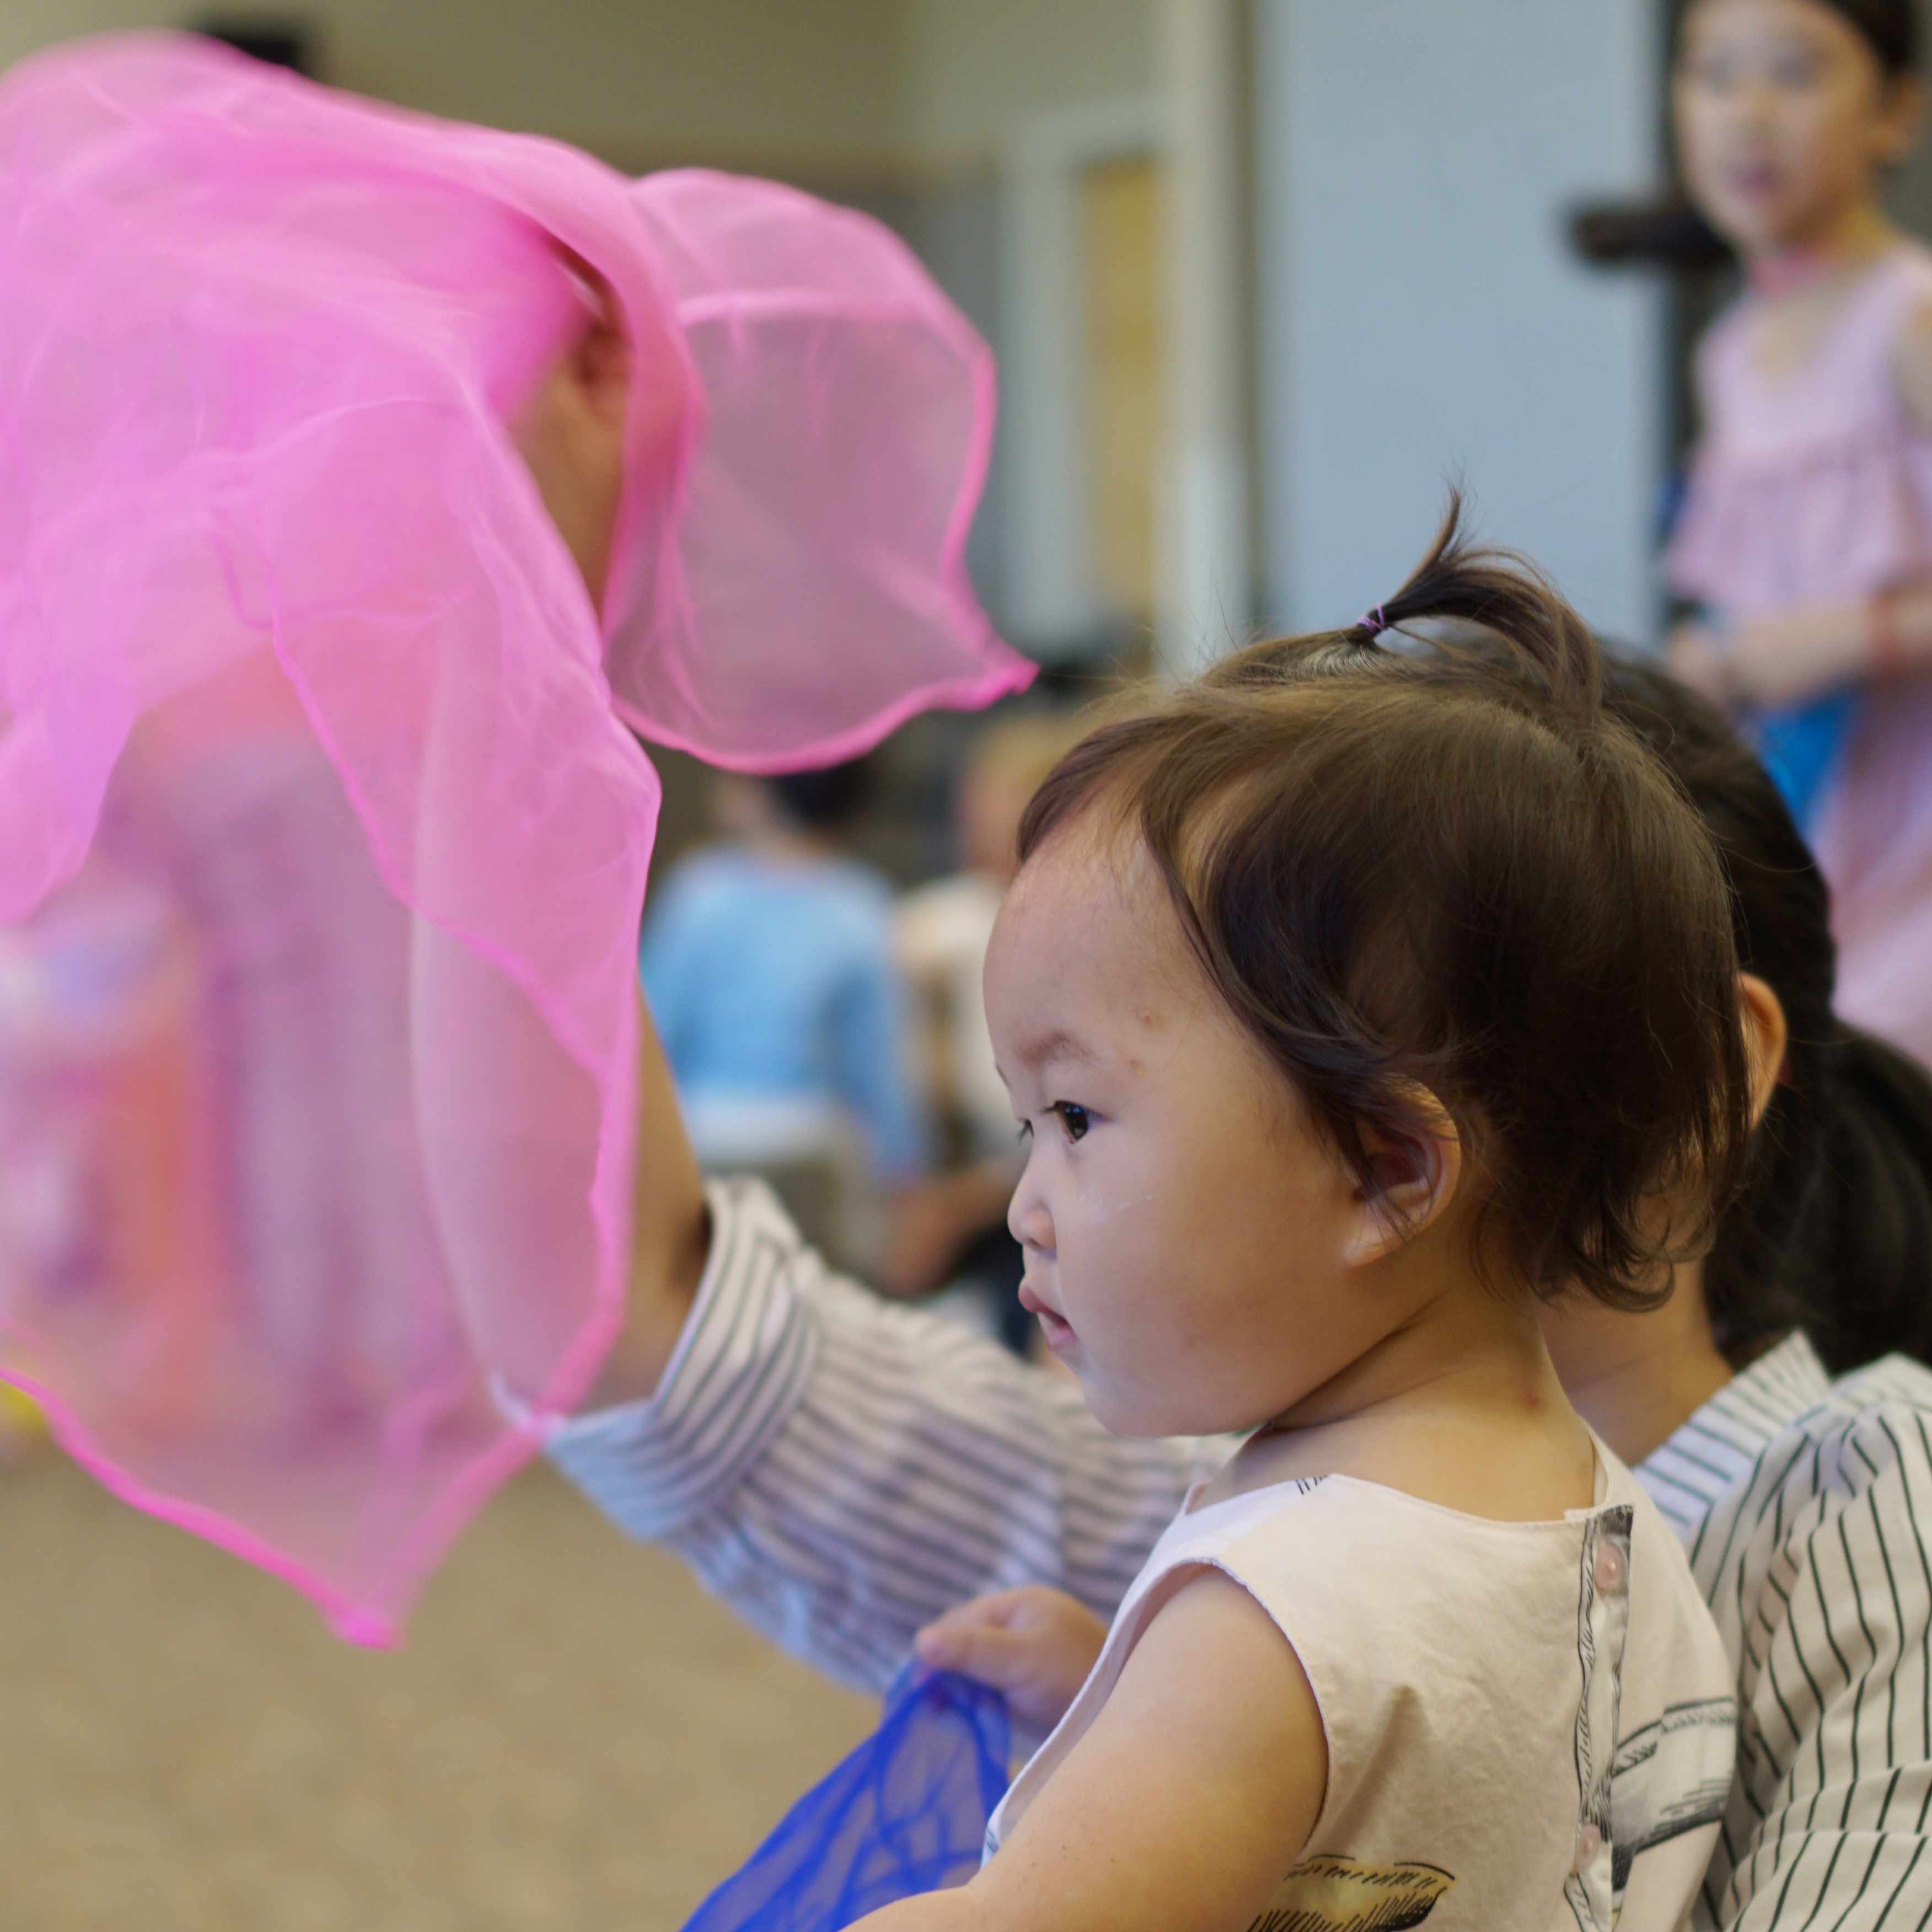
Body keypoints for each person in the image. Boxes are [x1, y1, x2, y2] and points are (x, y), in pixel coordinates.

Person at [582, 513, 1753, 1929]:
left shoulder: (1278, 1606)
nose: (1024, 1201)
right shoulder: (1595, 1522)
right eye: (1025, 1124)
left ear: (1382, 1166)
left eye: (1074, 1119)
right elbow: (1418, 1808)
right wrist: (1118, 1706)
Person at [1665, 0, 1932, 1067]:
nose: (1748, 115)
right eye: (1714, 75)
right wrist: (1718, 656)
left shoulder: (1909, 322)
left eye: (1795, 71)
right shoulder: (1730, 352)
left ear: (1896, 113)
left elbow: (1835, 622)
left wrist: (1858, 637)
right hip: (1805, 844)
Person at [642, 760, 933, 1248]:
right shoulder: (863, 907)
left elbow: (652, 1035)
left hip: (704, 1142)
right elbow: (880, 1071)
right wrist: (907, 1177)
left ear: (759, 791)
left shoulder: (699, 893)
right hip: (814, 1150)